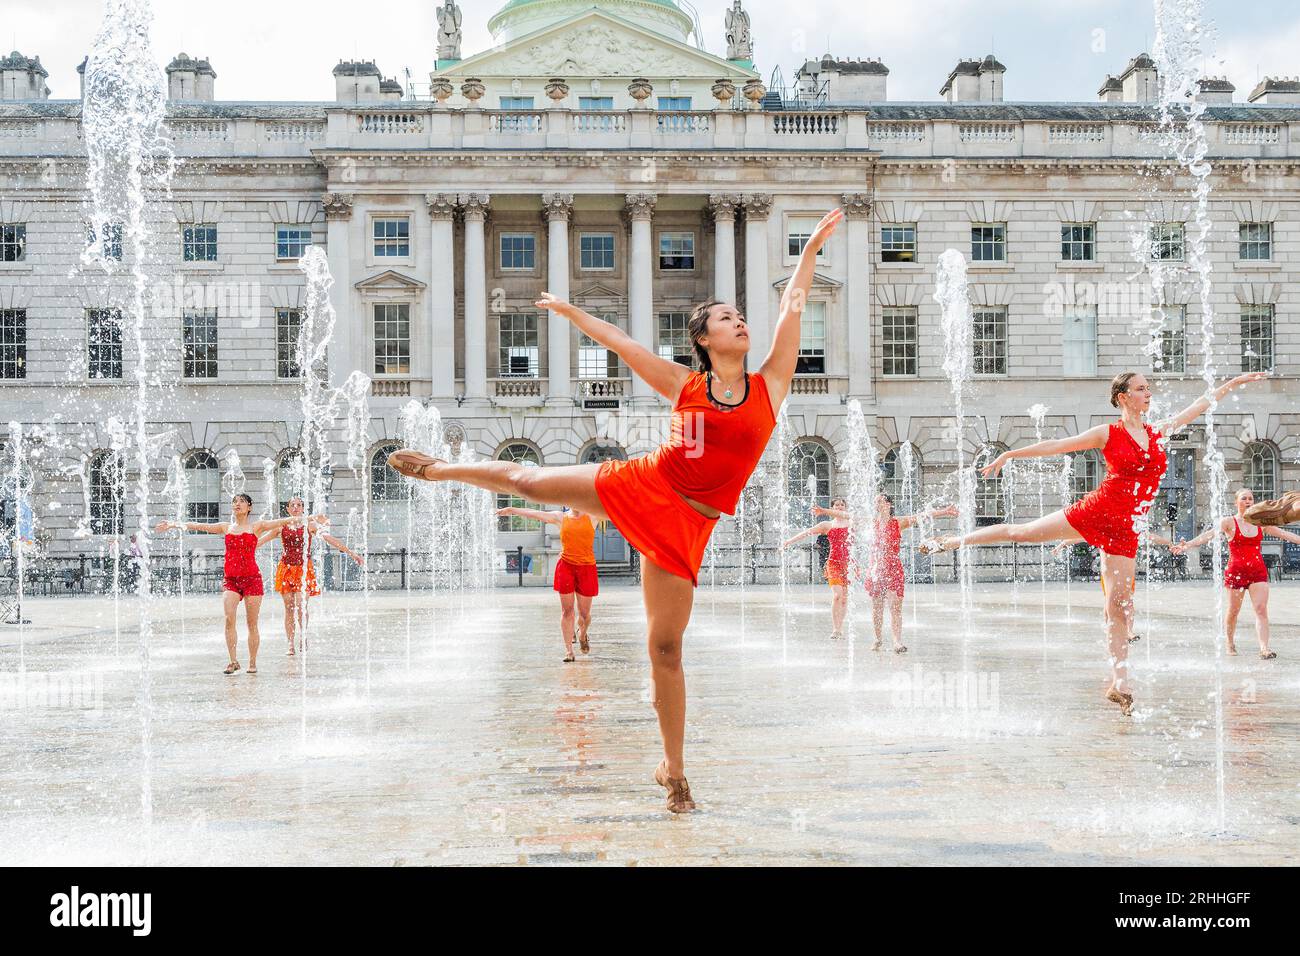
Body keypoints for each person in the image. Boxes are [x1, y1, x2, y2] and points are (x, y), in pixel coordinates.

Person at [388, 207, 844, 812]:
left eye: (739, 316)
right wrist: (573, 313)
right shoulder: (685, 383)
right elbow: (624, 343)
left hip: (688, 526)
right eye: (726, 319)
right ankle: (441, 469)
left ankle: (672, 769)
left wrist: (809, 248)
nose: (740, 322)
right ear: (703, 339)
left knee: (665, 650)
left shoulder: (771, 384)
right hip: (642, 483)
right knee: (530, 479)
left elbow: (793, 307)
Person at [919, 370, 1268, 716]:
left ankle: (1120, 683)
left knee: (1119, 604)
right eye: (1141, 389)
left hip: (1125, 530)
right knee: (1020, 532)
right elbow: (1057, 446)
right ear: (1123, 397)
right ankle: (951, 541)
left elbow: (1199, 406)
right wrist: (1010, 456)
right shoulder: (1108, 433)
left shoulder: (1158, 432)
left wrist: (1231, 384)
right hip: (1096, 511)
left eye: (1149, 388)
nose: (1149, 394)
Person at [156, 493, 327, 675]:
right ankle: (233, 661)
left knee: (251, 623)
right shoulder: (226, 527)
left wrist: (312, 517)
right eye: (235, 502)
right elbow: (199, 526)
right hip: (231, 580)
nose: (237, 504)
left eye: (242, 501)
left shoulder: (257, 526)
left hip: (252, 579)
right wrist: (173, 524)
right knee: (229, 619)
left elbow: (283, 520)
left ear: (249, 507)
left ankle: (252, 662)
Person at [791, 496, 957, 649]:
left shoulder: (898, 522)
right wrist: (825, 511)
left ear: (889, 504)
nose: (878, 504)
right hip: (876, 567)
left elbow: (922, 515)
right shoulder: (871, 522)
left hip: (893, 567)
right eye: (876, 502)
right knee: (877, 607)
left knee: (895, 606)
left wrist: (944, 511)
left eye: (881, 501)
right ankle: (878, 639)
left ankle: (897, 642)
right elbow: (848, 515)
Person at [1172, 488, 1300, 658]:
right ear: (1236, 502)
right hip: (1236, 572)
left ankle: (1264, 648)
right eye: (1244, 498)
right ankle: (1230, 643)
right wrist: (1186, 545)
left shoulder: (1260, 522)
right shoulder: (1228, 522)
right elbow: (1208, 535)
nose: (1248, 501)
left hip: (1257, 571)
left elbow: (1284, 534)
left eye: (1251, 499)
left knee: (1261, 610)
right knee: (1233, 611)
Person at [257, 496, 363, 656]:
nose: (295, 508)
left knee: (301, 605)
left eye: (298, 505)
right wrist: (240, 549)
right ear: (287, 509)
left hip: (303, 569)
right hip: (285, 569)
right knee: (288, 608)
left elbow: (330, 539)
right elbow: (260, 541)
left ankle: (303, 637)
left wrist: (351, 553)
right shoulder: (281, 527)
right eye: (292, 505)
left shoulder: (310, 525)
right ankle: (290, 643)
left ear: (303, 509)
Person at [496, 505, 599, 662]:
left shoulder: (593, 516)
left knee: (584, 615)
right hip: (566, 566)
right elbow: (536, 514)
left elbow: (619, 512)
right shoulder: (561, 517)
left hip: (586, 568)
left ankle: (583, 634)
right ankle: (569, 651)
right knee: (567, 611)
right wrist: (512, 510)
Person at [1052, 532, 1175, 644]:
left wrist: (1168, 542)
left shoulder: (1128, 529)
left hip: (1127, 571)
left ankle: (1129, 631)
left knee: (1129, 602)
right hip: (1109, 573)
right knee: (1110, 601)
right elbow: (1082, 536)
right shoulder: (1103, 532)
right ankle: (1110, 628)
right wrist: (1062, 544)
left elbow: (1149, 536)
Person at [781, 497, 852, 639]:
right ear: (832, 507)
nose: (839, 507)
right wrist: (788, 541)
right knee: (837, 595)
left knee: (844, 598)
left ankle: (840, 626)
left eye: (842, 505)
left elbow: (848, 516)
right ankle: (835, 629)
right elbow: (807, 532)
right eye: (836, 505)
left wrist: (825, 510)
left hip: (849, 563)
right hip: (833, 563)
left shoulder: (850, 521)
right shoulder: (827, 525)